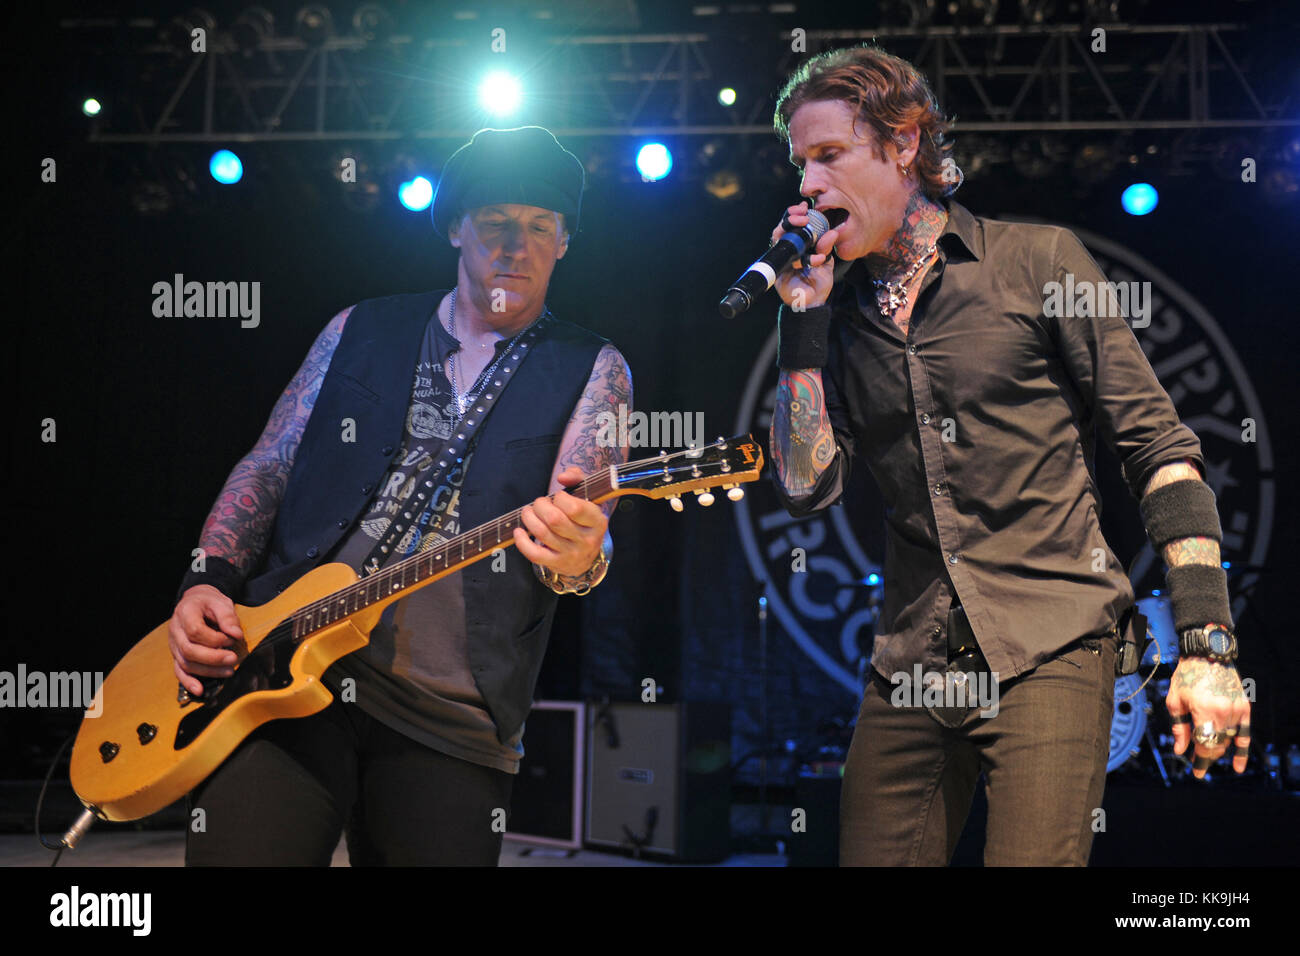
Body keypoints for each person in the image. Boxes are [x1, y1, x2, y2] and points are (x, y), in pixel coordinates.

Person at [765, 46, 1250, 866]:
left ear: (905, 143)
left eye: (829, 156)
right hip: (914, 657)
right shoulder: (836, 316)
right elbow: (806, 488)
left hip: (1053, 637)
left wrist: (1207, 646)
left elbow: (1161, 450)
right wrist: (802, 323)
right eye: (798, 163)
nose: (807, 185)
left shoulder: (1039, 262)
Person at [167, 126, 633, 865]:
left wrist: (585, 553)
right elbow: (268, 464)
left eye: (541, 225)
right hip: (282, 662)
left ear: (566, 241)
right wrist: (208, 580)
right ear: (454, 229)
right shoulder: (359, 327)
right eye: (495, 223)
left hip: (450, 710)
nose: (517, 244)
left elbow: (583, 532)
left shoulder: (594, 368)